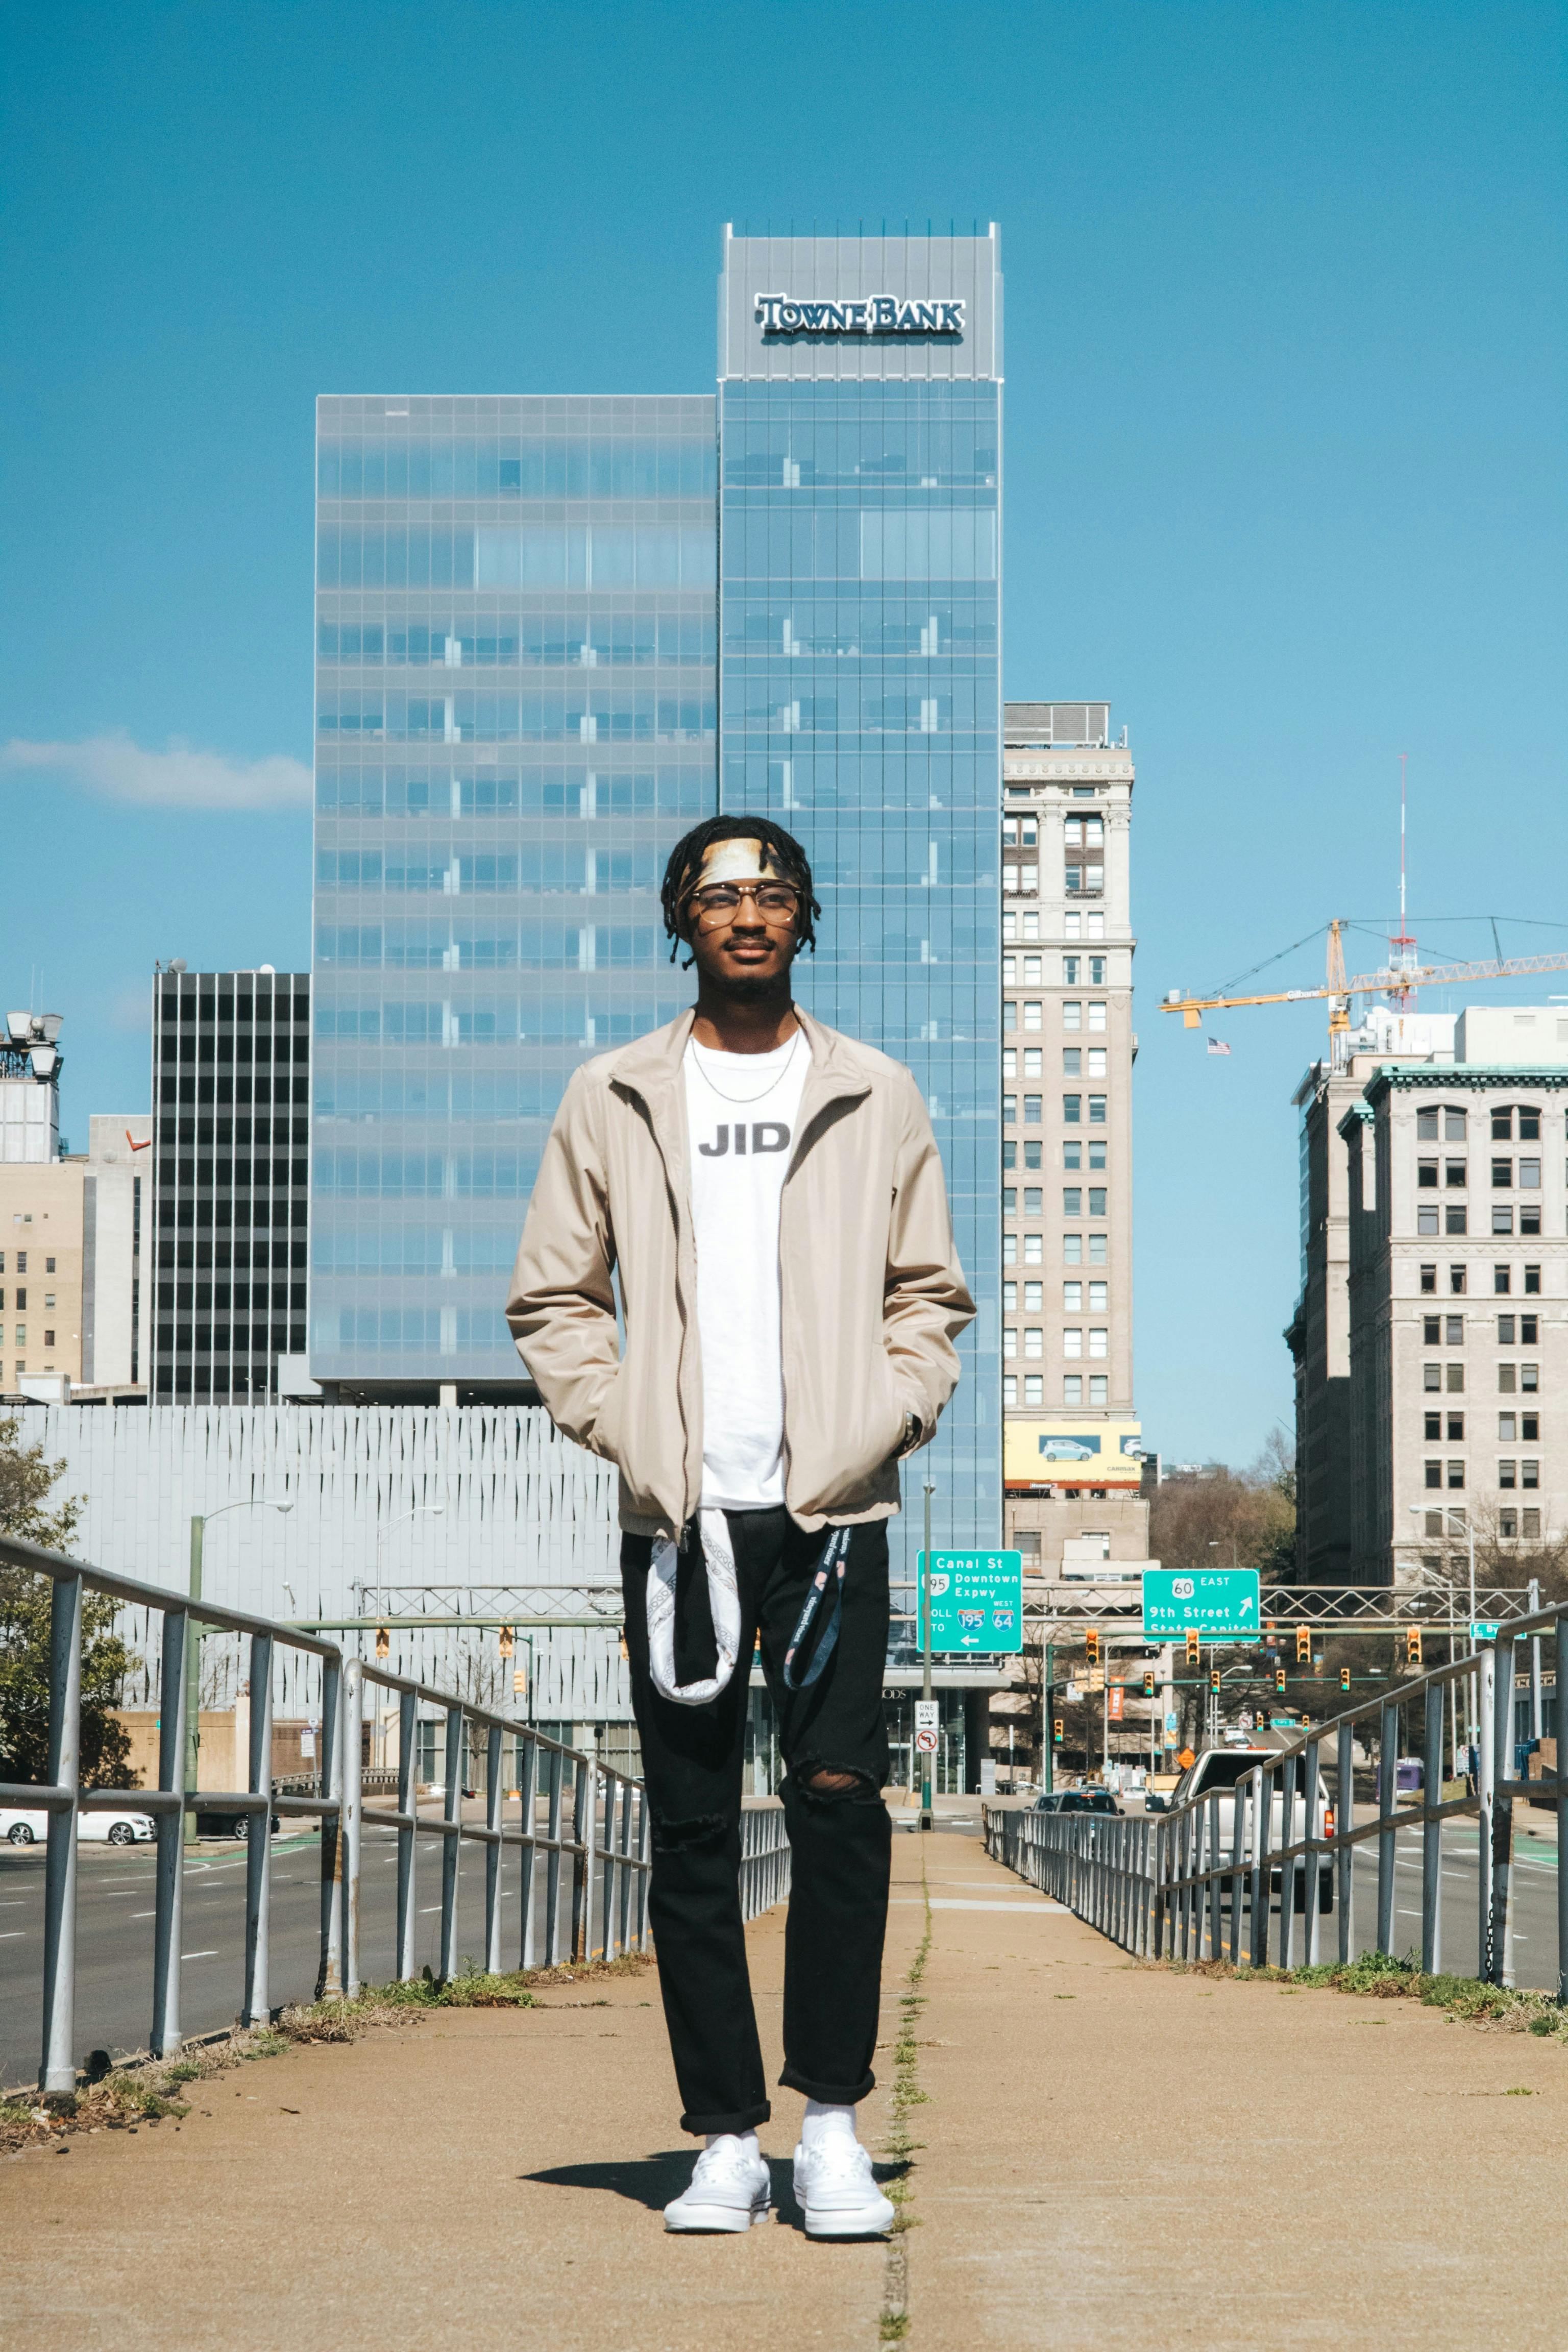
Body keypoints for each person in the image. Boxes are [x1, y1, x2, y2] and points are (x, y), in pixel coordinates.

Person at [507, 814, 973, 2238]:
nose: (748, 913)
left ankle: (829, 2129)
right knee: (694, 1826)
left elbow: (929, 1297)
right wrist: (635, 1432)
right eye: (720, 895)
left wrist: (879, 1421)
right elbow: (554, 1299)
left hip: (834, 1512)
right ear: (681, 921)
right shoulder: (614, 1092)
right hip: (679, 1522)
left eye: (771, 892)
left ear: (805, 918)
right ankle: (723, 2141)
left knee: (840, 1813)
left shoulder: (877, 1092)